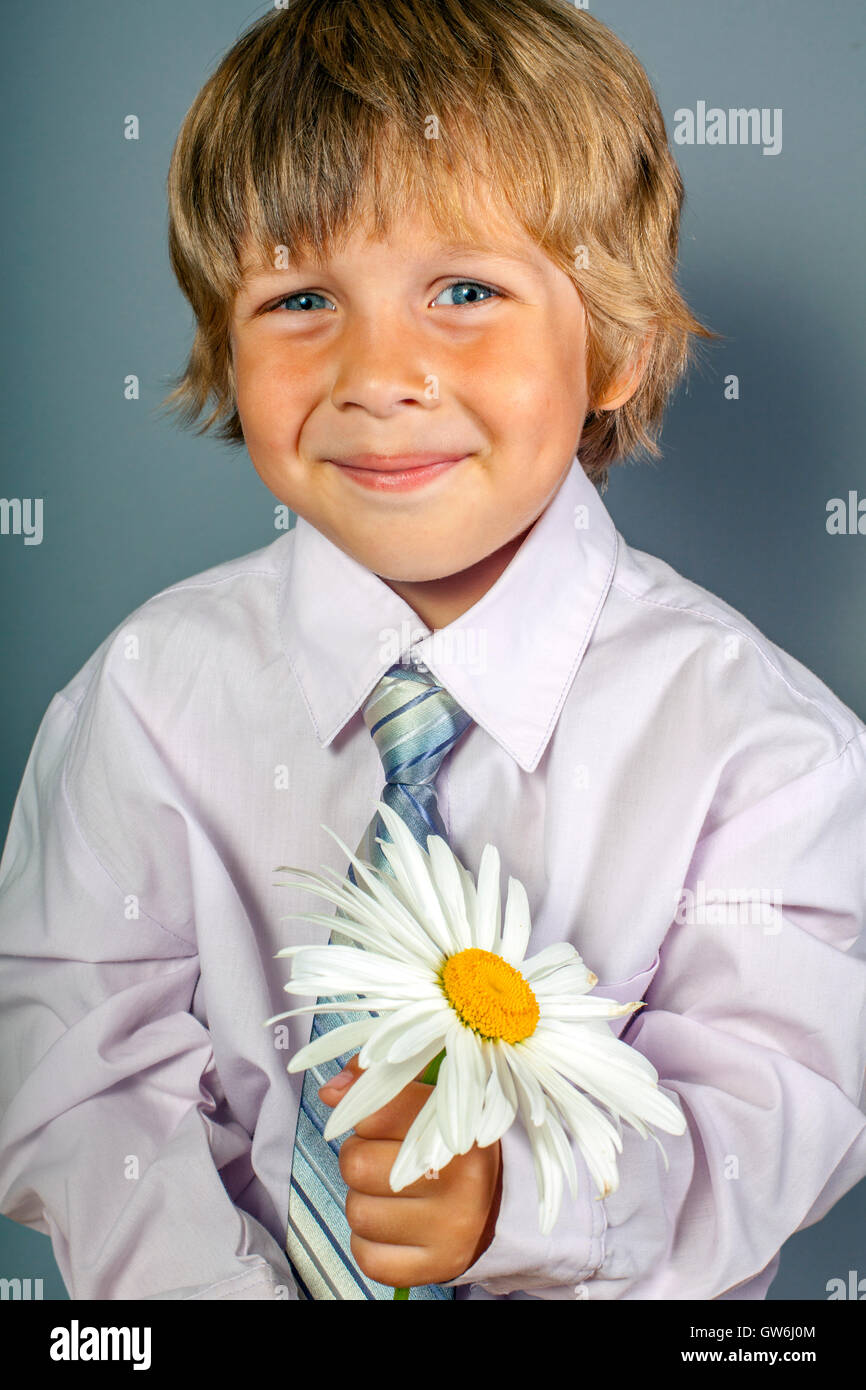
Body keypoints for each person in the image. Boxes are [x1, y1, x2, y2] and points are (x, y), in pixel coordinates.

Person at [1, 0, 864, 1301]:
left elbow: (776, 1105)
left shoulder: (765, 749)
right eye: (299, 297)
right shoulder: (142, 704)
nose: (377, 368)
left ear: (618, 346)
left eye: (463, 290)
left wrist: (517, 1195)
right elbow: (80, 1084)